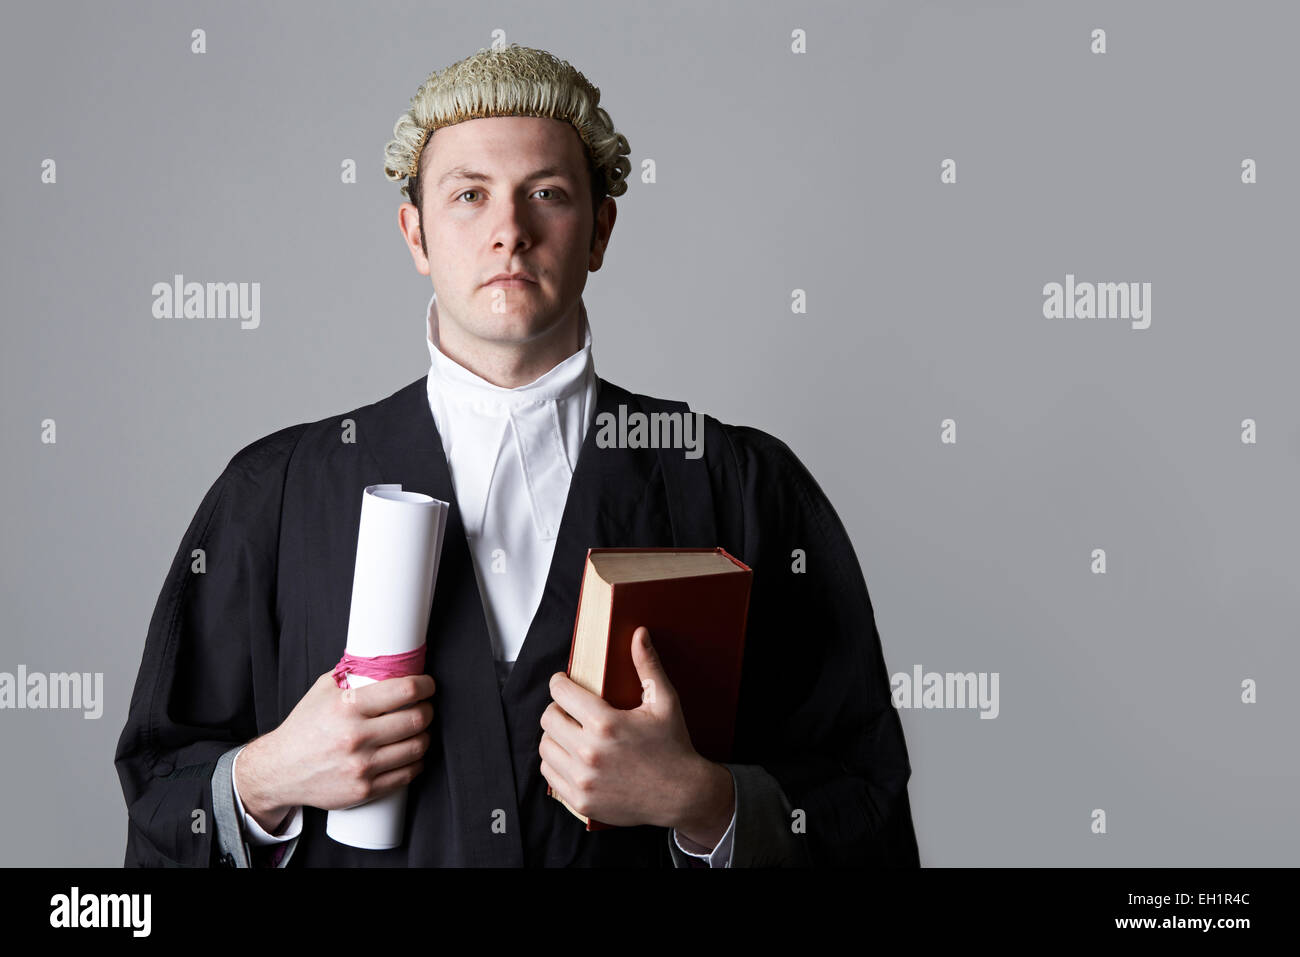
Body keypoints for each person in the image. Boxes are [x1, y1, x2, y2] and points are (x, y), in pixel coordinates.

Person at [114, 44, 920, 868]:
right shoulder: (275, 495)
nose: (509, 231)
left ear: (600, 228)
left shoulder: (742, 487)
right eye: (469, 195)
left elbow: (864, 796)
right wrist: (267, 779)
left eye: (548, 193)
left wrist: (702, 802)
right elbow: (162, 796)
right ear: (416, 233)